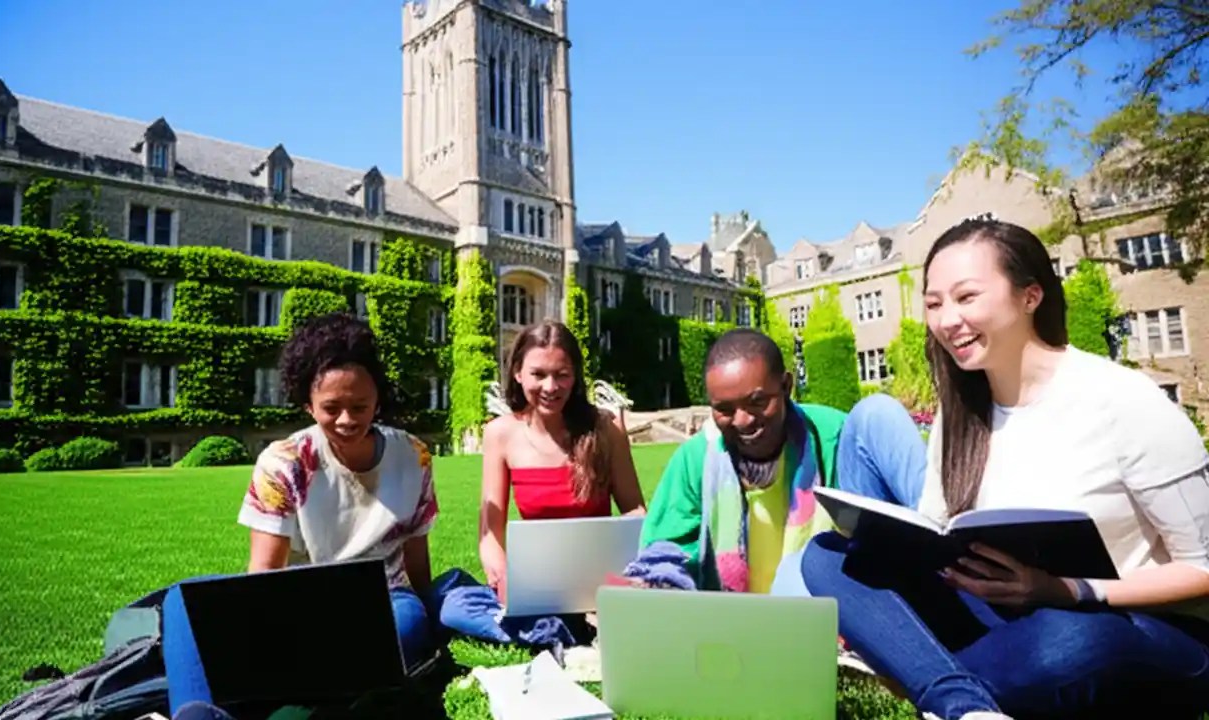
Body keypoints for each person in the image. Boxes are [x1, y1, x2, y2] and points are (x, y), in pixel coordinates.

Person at [799, 219, 1209, 720]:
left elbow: (1203, 570)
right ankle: (966, 707)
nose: (948, 320)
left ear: (1030, 296)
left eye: (966, 297)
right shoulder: (962, 409)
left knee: (1068, 638)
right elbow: (936, 528)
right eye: (934, 304)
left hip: (1130, 627)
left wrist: (1067, 590)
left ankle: (929, 677)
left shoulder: (1124, 402)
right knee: (827, 557)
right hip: (1006, 615)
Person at [163, 312, 441, 716]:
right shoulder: (283, 463)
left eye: (360, 406)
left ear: (378, 398)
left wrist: (431, 613)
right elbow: (265, 573)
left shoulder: (413, 455)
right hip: (300, 602)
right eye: (332, 408)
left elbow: (416, 554)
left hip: (385, 600)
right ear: (308, 405)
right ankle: (197, 712)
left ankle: (298, 685)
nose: (348, 420)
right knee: (181, 599)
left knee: (408, 624)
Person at [638, 327, 927, 595]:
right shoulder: (696, 459)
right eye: (724, 410)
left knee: (877, 413)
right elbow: (664, 552)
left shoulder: (833, 437)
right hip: (738, 624)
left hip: (827, 608)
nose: (743, 421)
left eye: (758, 402)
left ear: (786, 386)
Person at [433, 319, 645, 646]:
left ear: (575, 377)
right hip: (538, 586)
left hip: (598, 582)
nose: (551, 387)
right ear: (518, 373)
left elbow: (635, 511)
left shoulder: (604, 429)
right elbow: (490, 533)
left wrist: (625, 579)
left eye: (562, 374)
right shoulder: (500, 434)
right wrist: (502, 579)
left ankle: (555, 628)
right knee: (453, 606)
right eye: (538, 375)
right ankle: (556, 629)